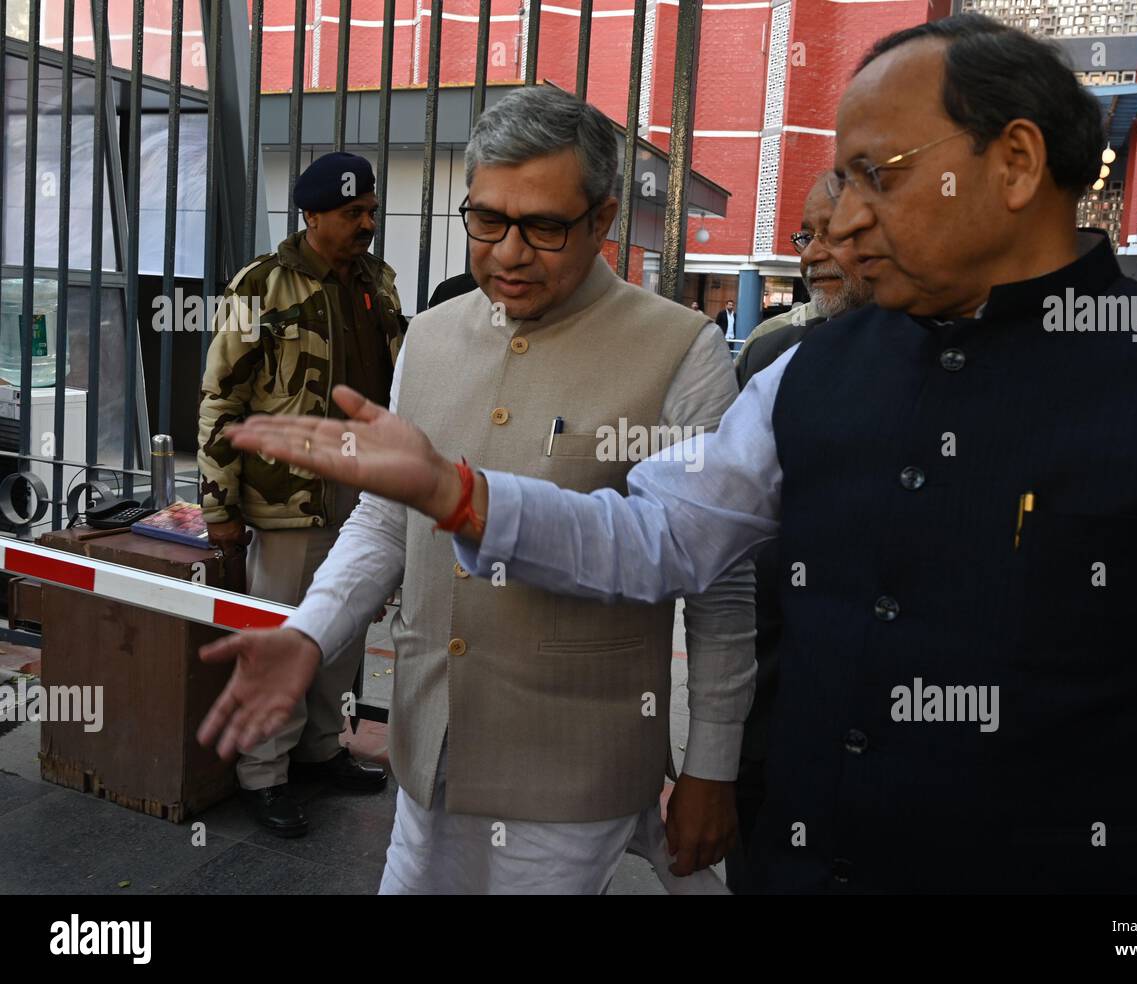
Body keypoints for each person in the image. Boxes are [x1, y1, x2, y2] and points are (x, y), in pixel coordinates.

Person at [201, 15, 1137, 894]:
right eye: (484, 222)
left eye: (875, 172)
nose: (834, 211)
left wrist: (706, 769)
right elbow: (664, 538)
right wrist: (452, 494)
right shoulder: (809, 374)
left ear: (1013, 163)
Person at [199, 86, 754, 894]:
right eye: (486, 220)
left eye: (544, 226)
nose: (508, 253)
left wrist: (711, 767)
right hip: (430, 749)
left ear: (604, 220)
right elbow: (388, 521)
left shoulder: (682, 353)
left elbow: (722, 585)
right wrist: (308, 633)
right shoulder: (428, 336)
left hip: (572, 770)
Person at [196, 151, 402, 837]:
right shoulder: (263, 286)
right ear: (312, 216)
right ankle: (264, 772)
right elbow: (220, 397)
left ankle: (319, 749)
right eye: (352, 214)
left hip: (363, 483)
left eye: (371, 211)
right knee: (278, 630)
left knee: (341, 628)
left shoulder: (380, 281)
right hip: (288, 490)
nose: (367, 224)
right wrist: (219, 507)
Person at [726, 173, 872, 892]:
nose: (811, 254)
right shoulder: (769, 353)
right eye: (803, 235)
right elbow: (705, 519)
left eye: (831, 234)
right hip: (773, 690)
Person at [734, 175, 873, 384]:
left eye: (836, 234)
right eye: (806, 237)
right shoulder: (764, 350)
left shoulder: (932, 352)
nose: (809, 254)